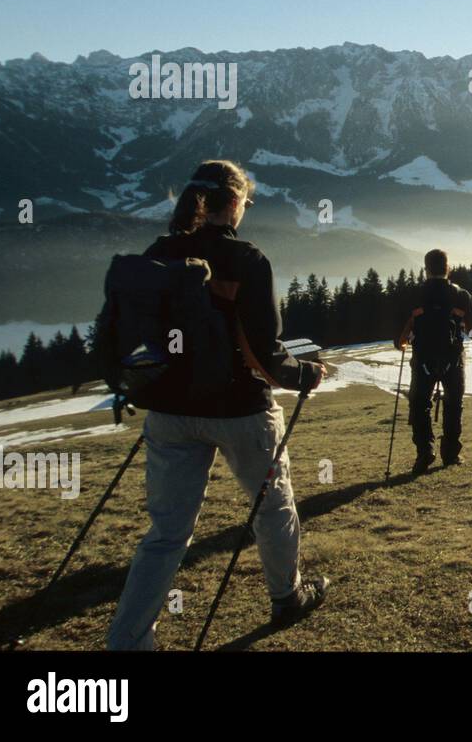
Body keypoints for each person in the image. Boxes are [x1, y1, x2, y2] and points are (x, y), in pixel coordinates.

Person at [107, 160, 329, 650]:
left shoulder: (159, 253)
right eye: (246, 204)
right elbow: (262, 352)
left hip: (167, 411)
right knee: (273, 507)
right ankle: (287, 597)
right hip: (239, 410)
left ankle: (127, 643)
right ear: (233, 204)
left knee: (166, 534)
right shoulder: (247, 258)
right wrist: (305, 375)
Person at [395, 249, 472, 475]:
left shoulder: (413, 295)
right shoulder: (461, 295)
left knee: (419, 404)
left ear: (426, 270)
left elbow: (399, 340)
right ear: (448, 268)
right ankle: (451, 453)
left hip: (423, 358)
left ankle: (425, 452)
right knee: (453, 404)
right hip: (453, 359)